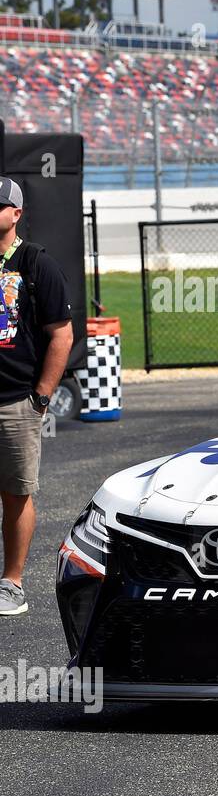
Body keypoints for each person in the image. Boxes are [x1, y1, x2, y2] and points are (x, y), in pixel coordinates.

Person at [0, 176, 74, 616]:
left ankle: (12, 582)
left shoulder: (36, 264)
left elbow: (61, 336)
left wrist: (40, 397)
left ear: (15, 213)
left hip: (15, 402)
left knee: (16, 494)